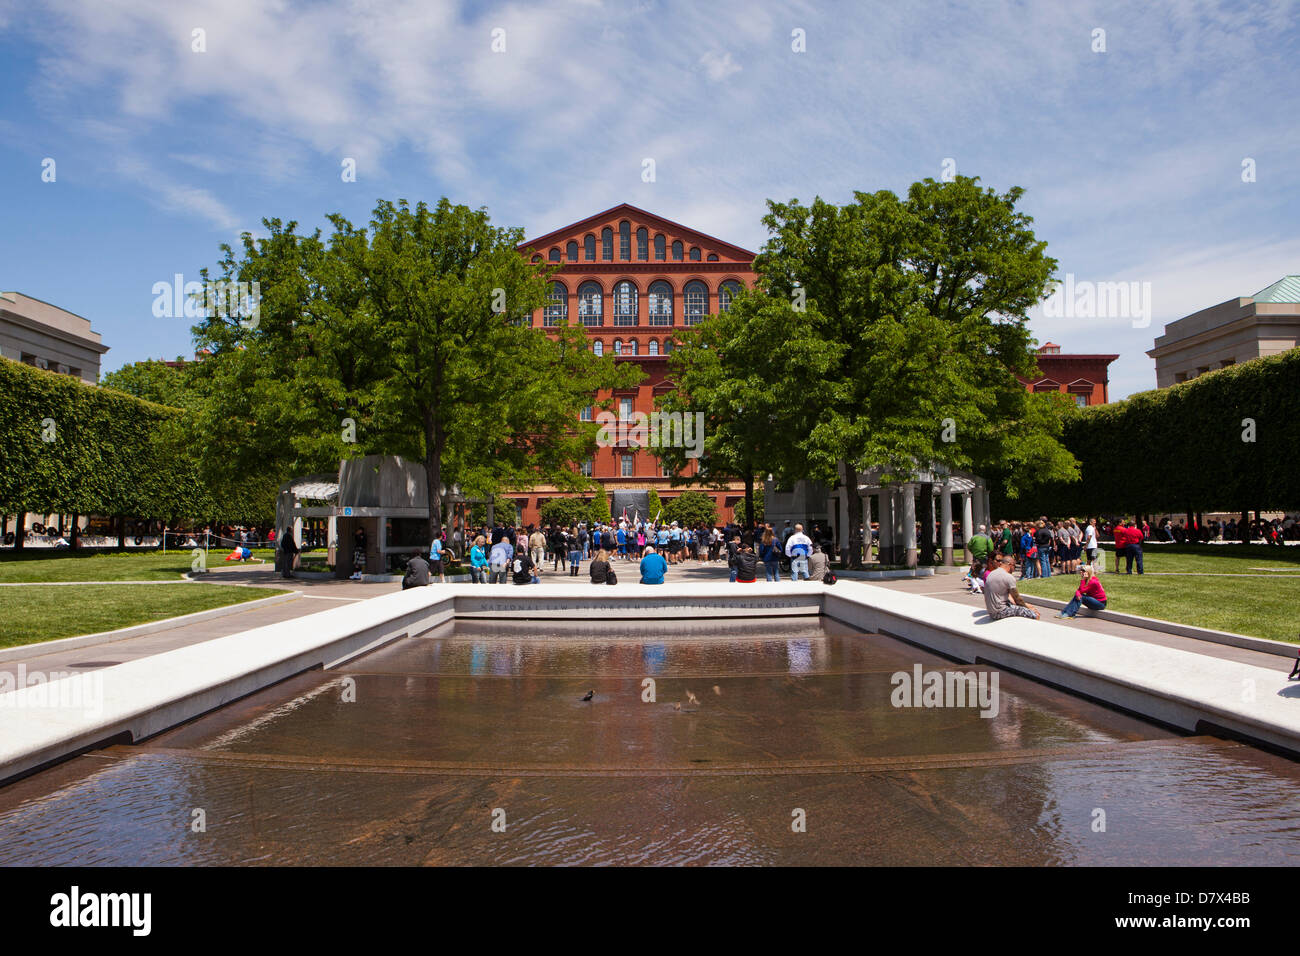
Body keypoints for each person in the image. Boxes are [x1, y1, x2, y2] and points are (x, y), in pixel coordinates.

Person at [984, 554, 1040, 620]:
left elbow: (1010, 599)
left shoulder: (992, 573)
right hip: (1000, 612)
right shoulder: (1008, 577)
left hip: (991, 612)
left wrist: (1026, 604)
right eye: (1014, 566)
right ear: (1010, 564)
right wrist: (1028, 607)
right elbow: (1017, 600)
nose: (1014, 569)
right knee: (1034, 614)